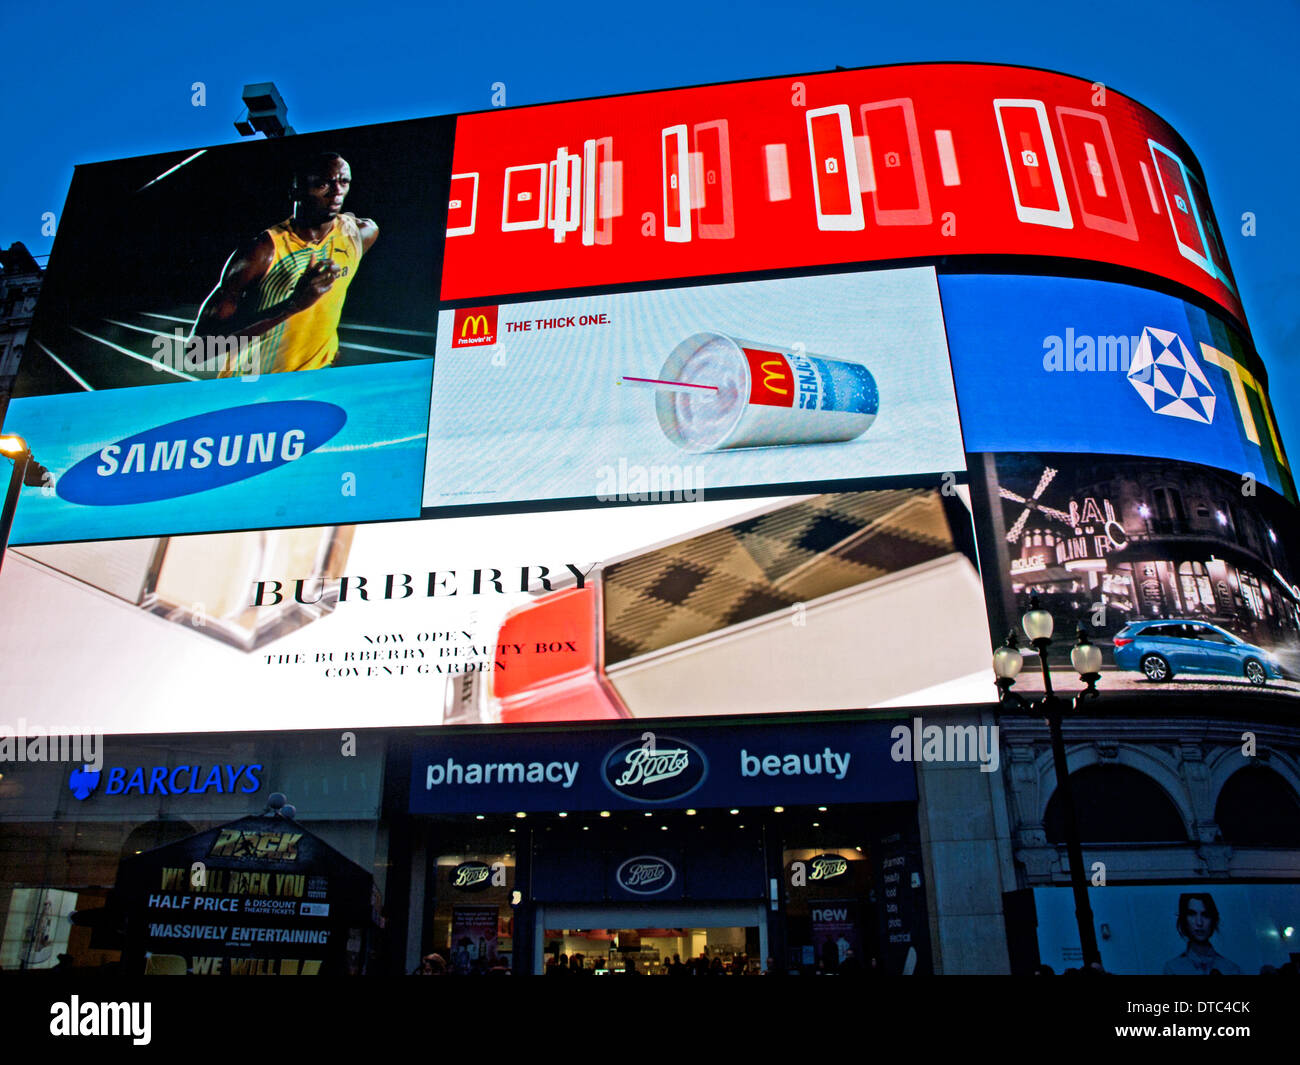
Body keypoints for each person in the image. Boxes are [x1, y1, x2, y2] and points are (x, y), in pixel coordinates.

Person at [191, 151, 378, 376]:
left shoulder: (359, 235)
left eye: (343, 182)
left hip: (318, 374)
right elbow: (197, 350)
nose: (337, 192)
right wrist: (292, 306)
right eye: (323, 185)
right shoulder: (261, 253)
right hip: (256, 385)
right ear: (296, 192)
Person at [1163, 893, 1242, 975]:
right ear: (1184, 919)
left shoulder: (1231, 969)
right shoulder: (1173, 969)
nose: (1199, 922)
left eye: (1205, 915)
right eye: (1192, 914)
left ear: (1213, 919)